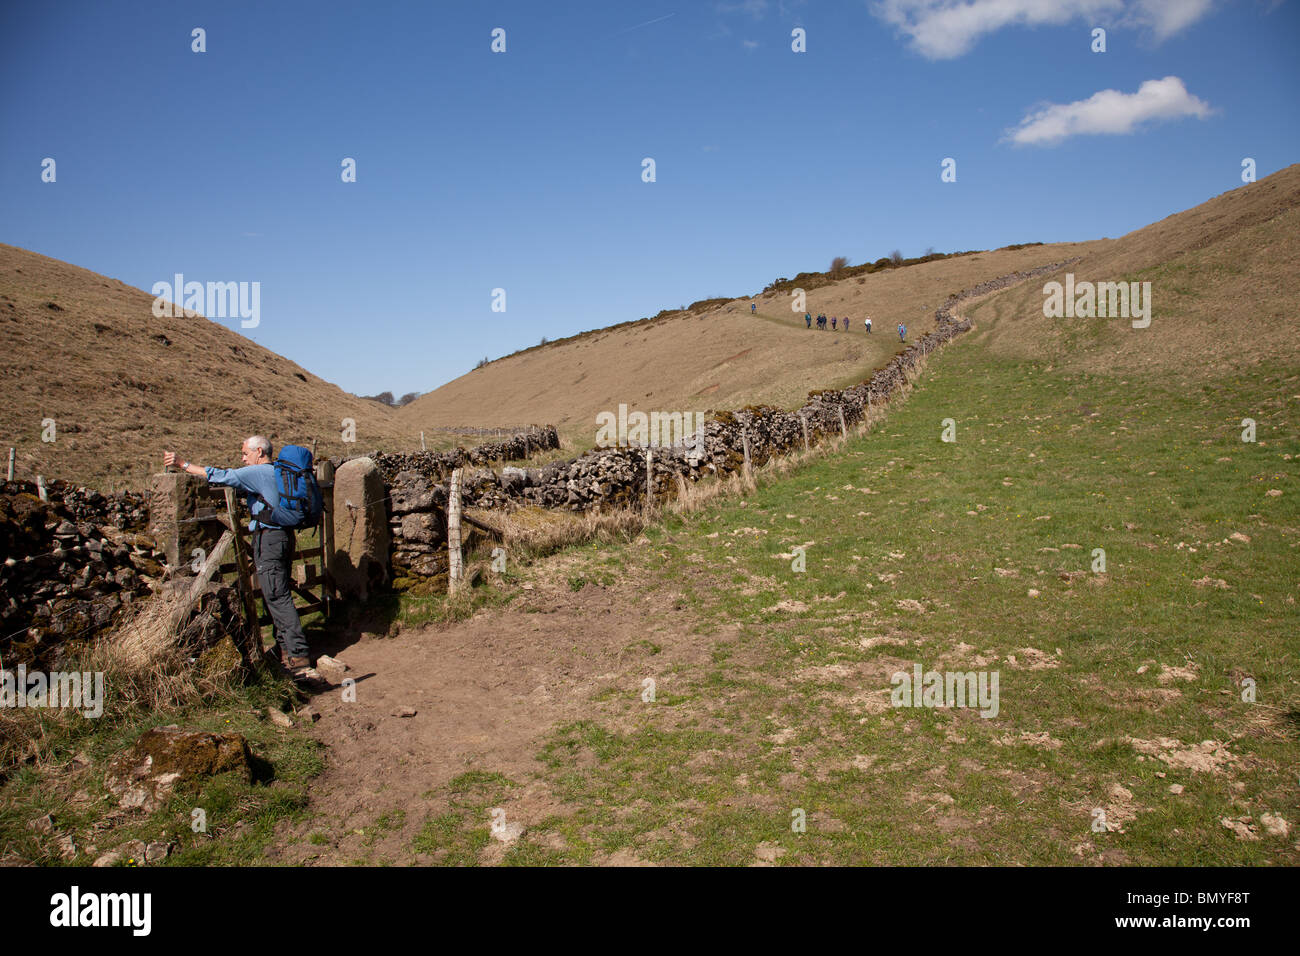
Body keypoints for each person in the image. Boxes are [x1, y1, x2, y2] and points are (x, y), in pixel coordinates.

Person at [162, 437, 316, 684]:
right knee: (278, 592)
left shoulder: (258, 472)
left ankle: (297, 656)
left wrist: (184, 464)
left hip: (268, 539)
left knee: (276, 595)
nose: (243, 458)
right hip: (283, 537)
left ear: (259, 452)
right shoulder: (277, 472)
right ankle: (283, 649)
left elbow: (223, 476)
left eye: (245, 453)